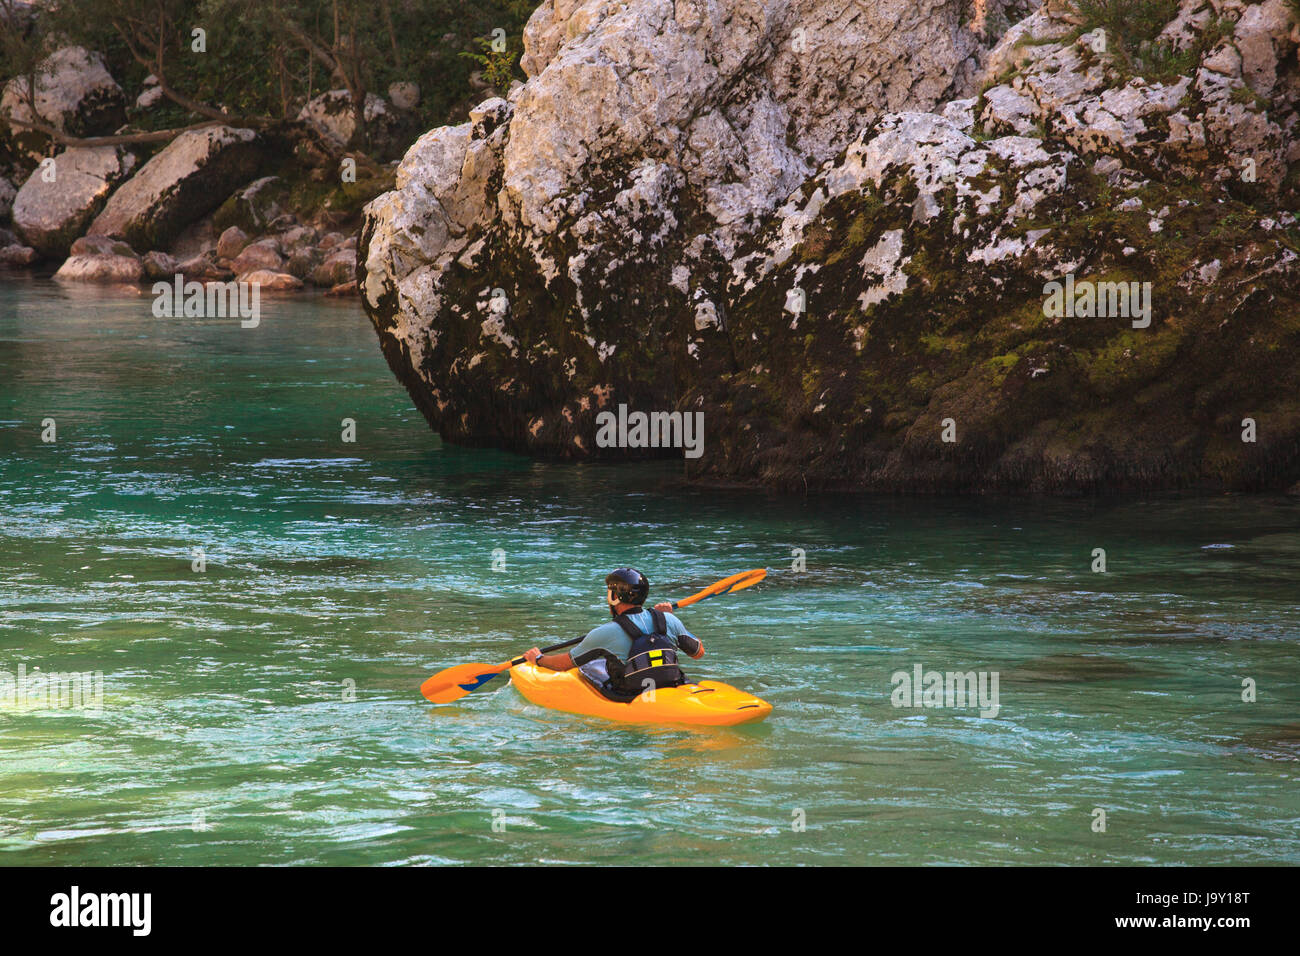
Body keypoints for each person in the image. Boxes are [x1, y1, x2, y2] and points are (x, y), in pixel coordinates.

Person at [524, 568, 704, 700]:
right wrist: (670, 618)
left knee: (587, 666)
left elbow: (564, 664)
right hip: (671, 684)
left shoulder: (604, 633)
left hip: (631, 694)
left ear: (614, 597)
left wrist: (538, 658)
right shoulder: (669, 620)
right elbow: (698, 653)